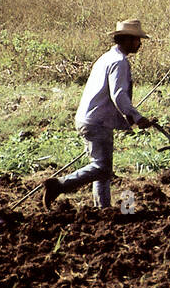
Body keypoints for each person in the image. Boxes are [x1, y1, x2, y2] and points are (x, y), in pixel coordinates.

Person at [44, 20, 154, 209]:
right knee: (102, 168)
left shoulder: (107, 57)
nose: (140, 43)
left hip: (90, 118)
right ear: (127, 40)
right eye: (137, 39)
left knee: (101, 171)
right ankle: (60, 185)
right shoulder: (119, 62)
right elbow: (118, 95)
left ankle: (102, 209)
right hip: (97, 121)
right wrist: (137, 117)